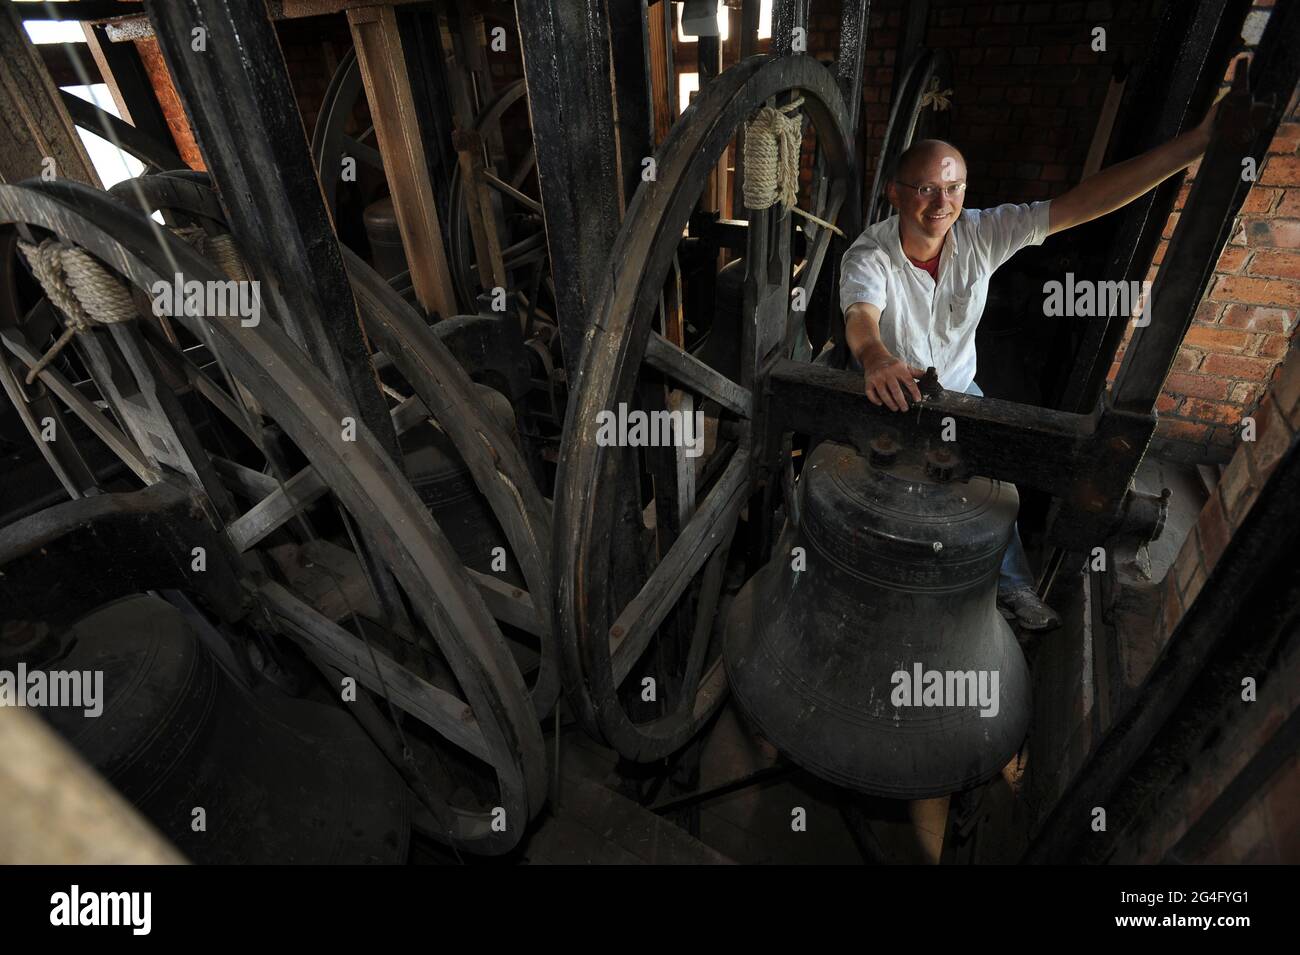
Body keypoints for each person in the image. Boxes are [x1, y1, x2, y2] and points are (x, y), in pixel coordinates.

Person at [838, 105, 1219, 631]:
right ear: (896, 194)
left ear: (965, 193)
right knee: (884, 492)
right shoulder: (870, 255)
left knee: (995, 485)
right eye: (925, 189)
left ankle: (1012, 588)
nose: (941, 203)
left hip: (957, 386)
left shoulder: (982, 233)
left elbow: (1078, 204)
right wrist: (876, 356)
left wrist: (1195, 144)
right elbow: (862, 313)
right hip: (892, 392)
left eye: (953, 189)